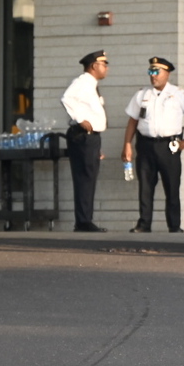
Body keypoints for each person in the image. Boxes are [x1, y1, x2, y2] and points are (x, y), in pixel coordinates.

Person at [121, 57, 184, 233]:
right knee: (145, 186)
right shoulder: (142, 94)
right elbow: (132, 122)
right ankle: (144, 224)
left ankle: (174, 226)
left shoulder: (179, 94)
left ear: (167, 73)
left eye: (157, 72)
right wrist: (127, 144)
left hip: (169, 146)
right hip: (145, 145)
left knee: (172, 186)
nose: (153, 76)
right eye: (150, 71)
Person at [61, 50, 109, 232]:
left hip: (91, 138)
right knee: (84, 178)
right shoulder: (82, 82)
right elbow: (66, 98)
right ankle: (83, 221)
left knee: (89, 178)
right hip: (82, 136)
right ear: (94, 66)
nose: (106, 68)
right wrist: (80, 118)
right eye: (104, 64)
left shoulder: (92, 85)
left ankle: (85, 219)